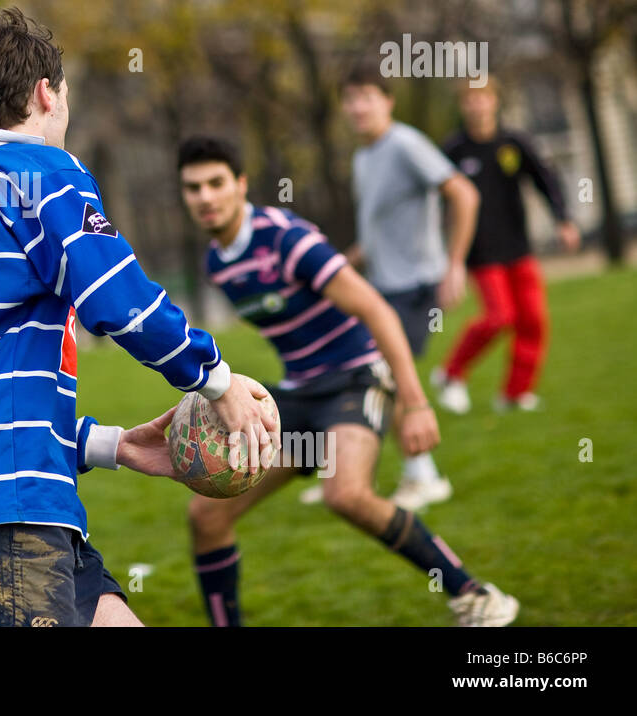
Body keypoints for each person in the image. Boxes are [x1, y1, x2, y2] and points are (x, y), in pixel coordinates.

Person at [0, 7, 278, 627]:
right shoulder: (41, 173)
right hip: (9, 511)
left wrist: (113, 445)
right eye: (66, 90)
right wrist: (215, 379)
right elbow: (118, 299)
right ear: (46, 93)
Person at [178, 135, 519, 626]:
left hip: (356, 379)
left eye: (216, 183)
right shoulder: (217, 262)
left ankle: (474, 593)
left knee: (346, 494)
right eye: (193, 188)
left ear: (241, 185)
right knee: (206, 516)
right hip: (298, 395)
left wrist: (416, 403)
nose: (206, 197)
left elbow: (377, 310)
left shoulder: (284, 239)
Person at [340, 68, 480, 511]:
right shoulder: (364, 157)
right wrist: (339, 264)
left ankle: (423, 477)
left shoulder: (405, 144)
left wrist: (455, 265)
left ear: (388, 101)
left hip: (416, 286)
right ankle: (354, 476)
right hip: (382, 288)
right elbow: (377, 232)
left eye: (366, 96)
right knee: (370, 375)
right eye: (350, 98)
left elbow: (464, 194)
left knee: (390, 377)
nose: (358, 107)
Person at [434, 77, 579, 412]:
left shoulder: (514, 143)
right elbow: (436, 200)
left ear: (494, 101)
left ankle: (514, 394)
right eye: (470, 99)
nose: (477, 105)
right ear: (463, 105)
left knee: (532, 320)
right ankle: (451, 372)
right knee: (499, 317)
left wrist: (563, 219)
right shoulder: (454, 150)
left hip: (518, 246)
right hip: (481, 252)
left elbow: (546, 180)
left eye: (482, 97)